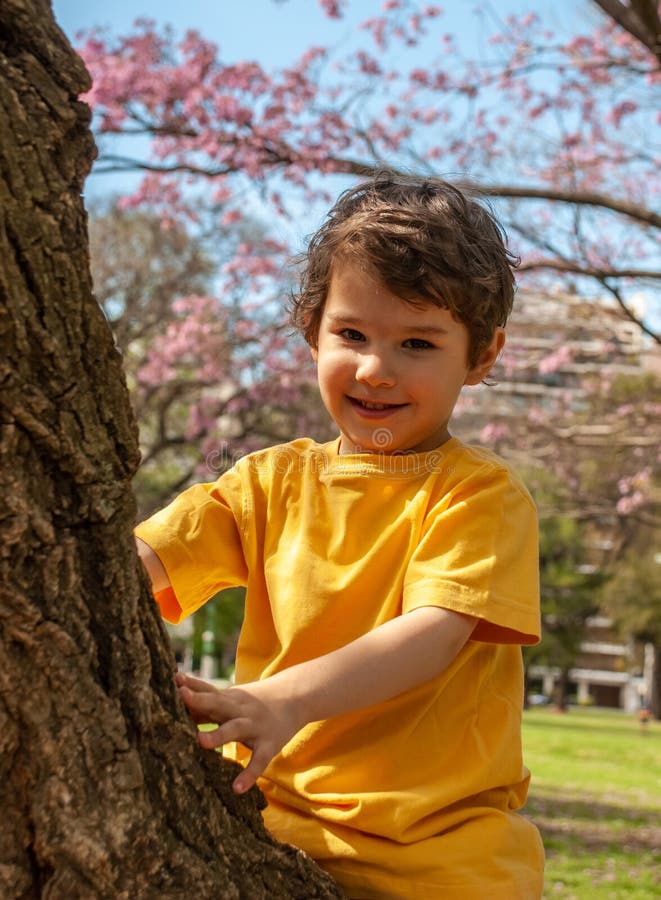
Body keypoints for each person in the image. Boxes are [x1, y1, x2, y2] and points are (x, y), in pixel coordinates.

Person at [135, 171, 545, 899]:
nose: (374, 369)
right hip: (274, 830)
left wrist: (282, 700)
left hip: (440, 860)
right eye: (350, 333)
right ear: (311, 331)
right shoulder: (266, 482)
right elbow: (133, 563)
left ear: (480, 356)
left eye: (417, 342)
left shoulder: (479, 495)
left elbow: (432, 633)